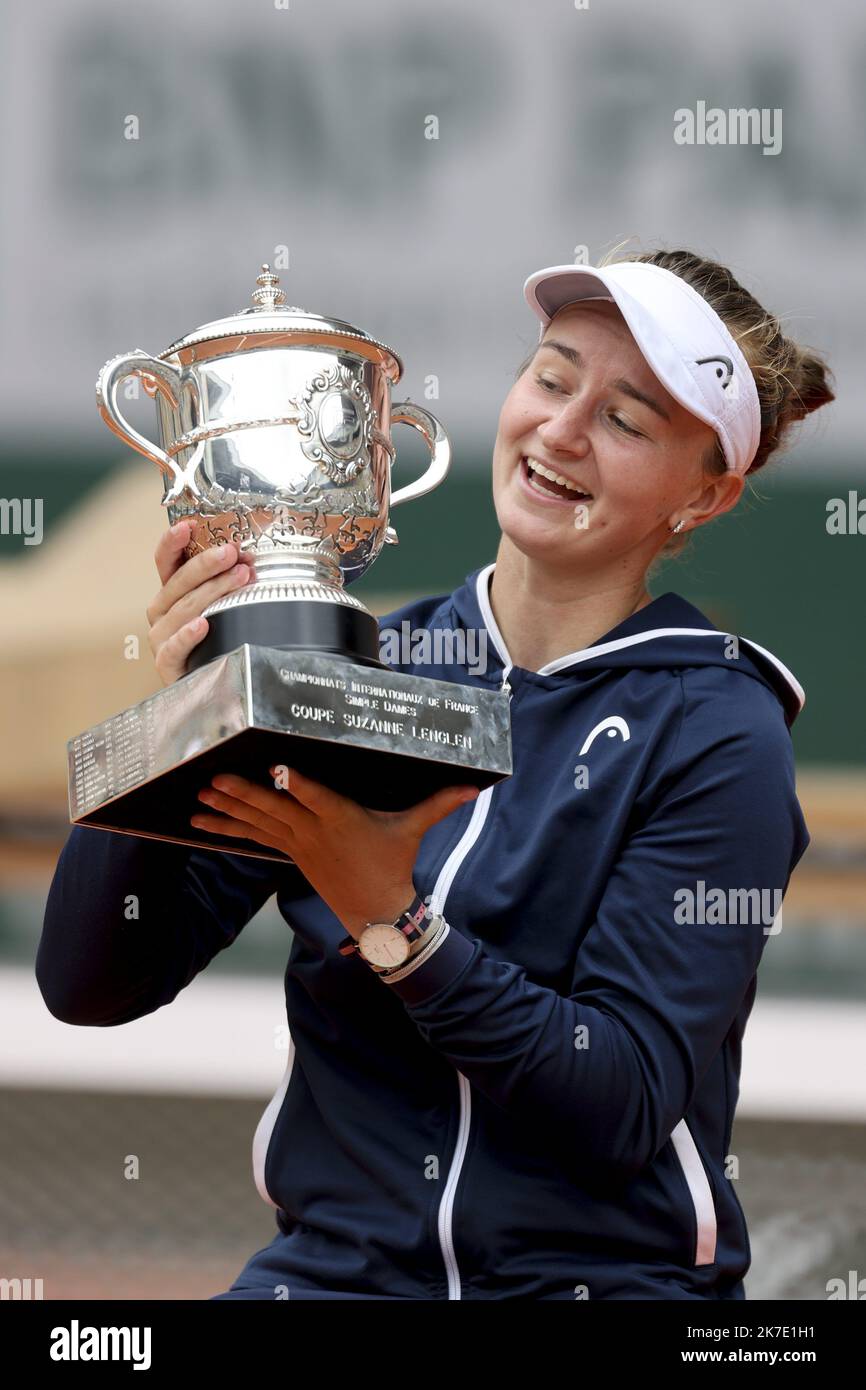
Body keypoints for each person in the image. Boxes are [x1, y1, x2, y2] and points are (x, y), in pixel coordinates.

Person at [36, 246, 834, 1301]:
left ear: (705, 495)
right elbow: (94, 983)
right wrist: (184, 696)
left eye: (626, 419)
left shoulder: (716, 730)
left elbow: (619, 1104)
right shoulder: (354, 672)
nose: (560, 429)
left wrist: (394, 924)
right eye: (550, 379)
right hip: (331, 1281)